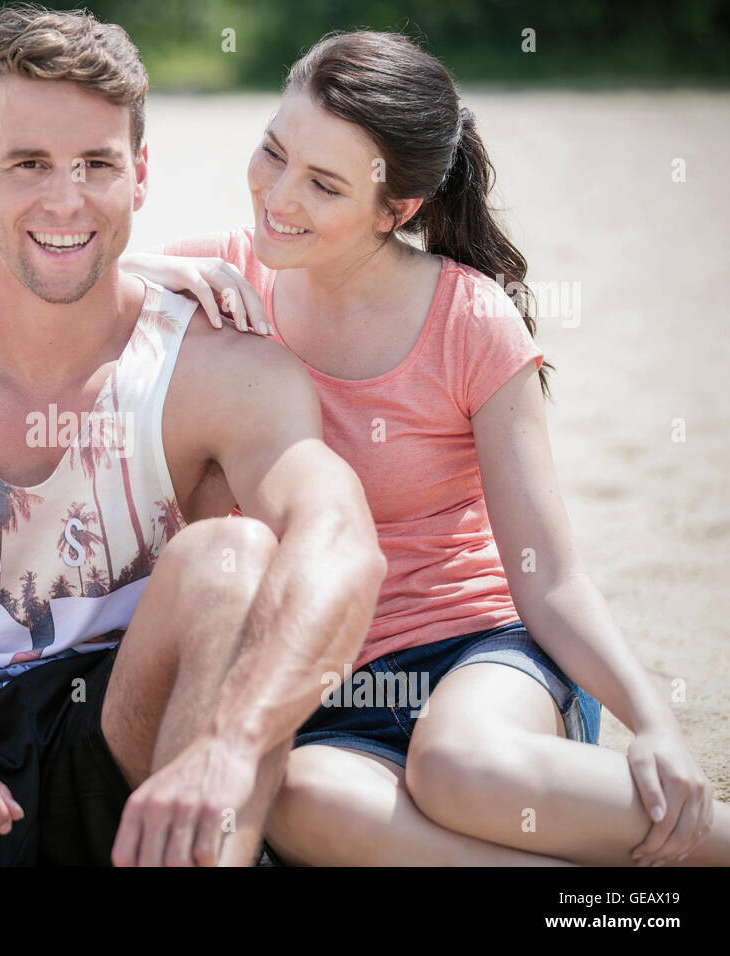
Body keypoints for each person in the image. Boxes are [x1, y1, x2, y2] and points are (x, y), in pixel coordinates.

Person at [0, 5, 384, 868]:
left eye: (97, 163)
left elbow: (341, 542)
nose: (66, 198)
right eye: (29, 164)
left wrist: (233, 748)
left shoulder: (224, 371)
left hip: (127, 737)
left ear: (140, 175)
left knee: (234, 556)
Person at [125, 30, 730, 865]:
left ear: (396, 209)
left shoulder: (470, 320)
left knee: (457, 765)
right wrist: (135, 275)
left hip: (482, 660)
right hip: (324, 692)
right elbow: (62, 297)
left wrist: (656, 724)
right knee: (297, 797)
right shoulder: (216, 285)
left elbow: (550, 578)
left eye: (324, 184)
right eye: (274, 151)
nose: (279, 195)